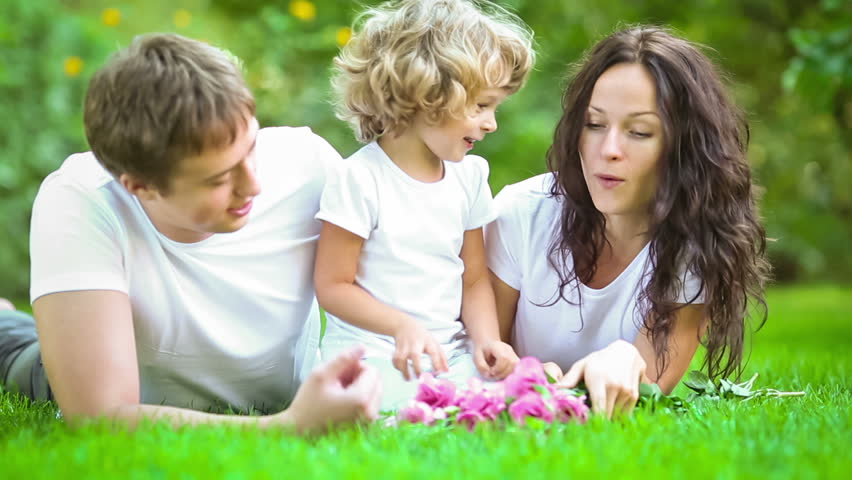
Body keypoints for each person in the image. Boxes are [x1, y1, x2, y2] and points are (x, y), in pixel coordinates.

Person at [0, 33, 381, 431]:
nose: (253, 185)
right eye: (219, 179)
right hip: (81, 350)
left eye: (251, 147)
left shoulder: (308, 166)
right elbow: (100, 415)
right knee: (16, 346)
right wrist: (287, 426)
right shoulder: (84, 200)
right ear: (141, 186)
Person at [485, 26, 770, 418]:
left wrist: (623, 358)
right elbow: (478, 366)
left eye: (639, 132)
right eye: (594, 124)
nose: (609, 150)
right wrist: (526, 379)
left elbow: (645, 393)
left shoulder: (695, 246)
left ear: (683, 149)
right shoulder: (521, 214)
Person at [314, 0, 535, 409]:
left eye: (494, 108)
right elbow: (333, 287)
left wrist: (487, 340)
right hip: (375, 352)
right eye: (481, 105)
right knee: (377, 400)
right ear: (427, 93)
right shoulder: (360, 179)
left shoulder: (469, 177)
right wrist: (401, 326)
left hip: (449, 355)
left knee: (513, 397)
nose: (491, 123)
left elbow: (474, 280)